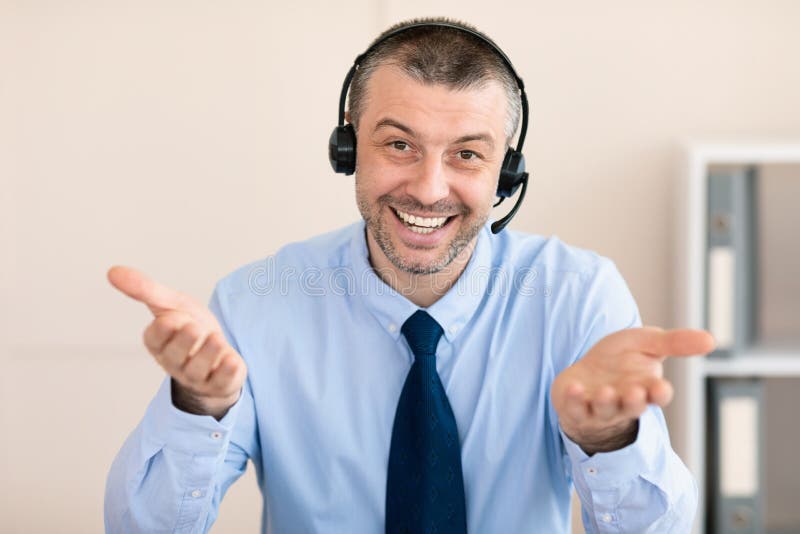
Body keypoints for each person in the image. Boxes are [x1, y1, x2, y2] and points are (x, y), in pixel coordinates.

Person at [104, 17, 715, 533]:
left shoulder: (577, 296)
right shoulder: (255, 302)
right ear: (347, 146)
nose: (428, 188)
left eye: (467, 154)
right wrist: (198, 406)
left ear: (508, 173)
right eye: (399, 145)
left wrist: (608, 438)